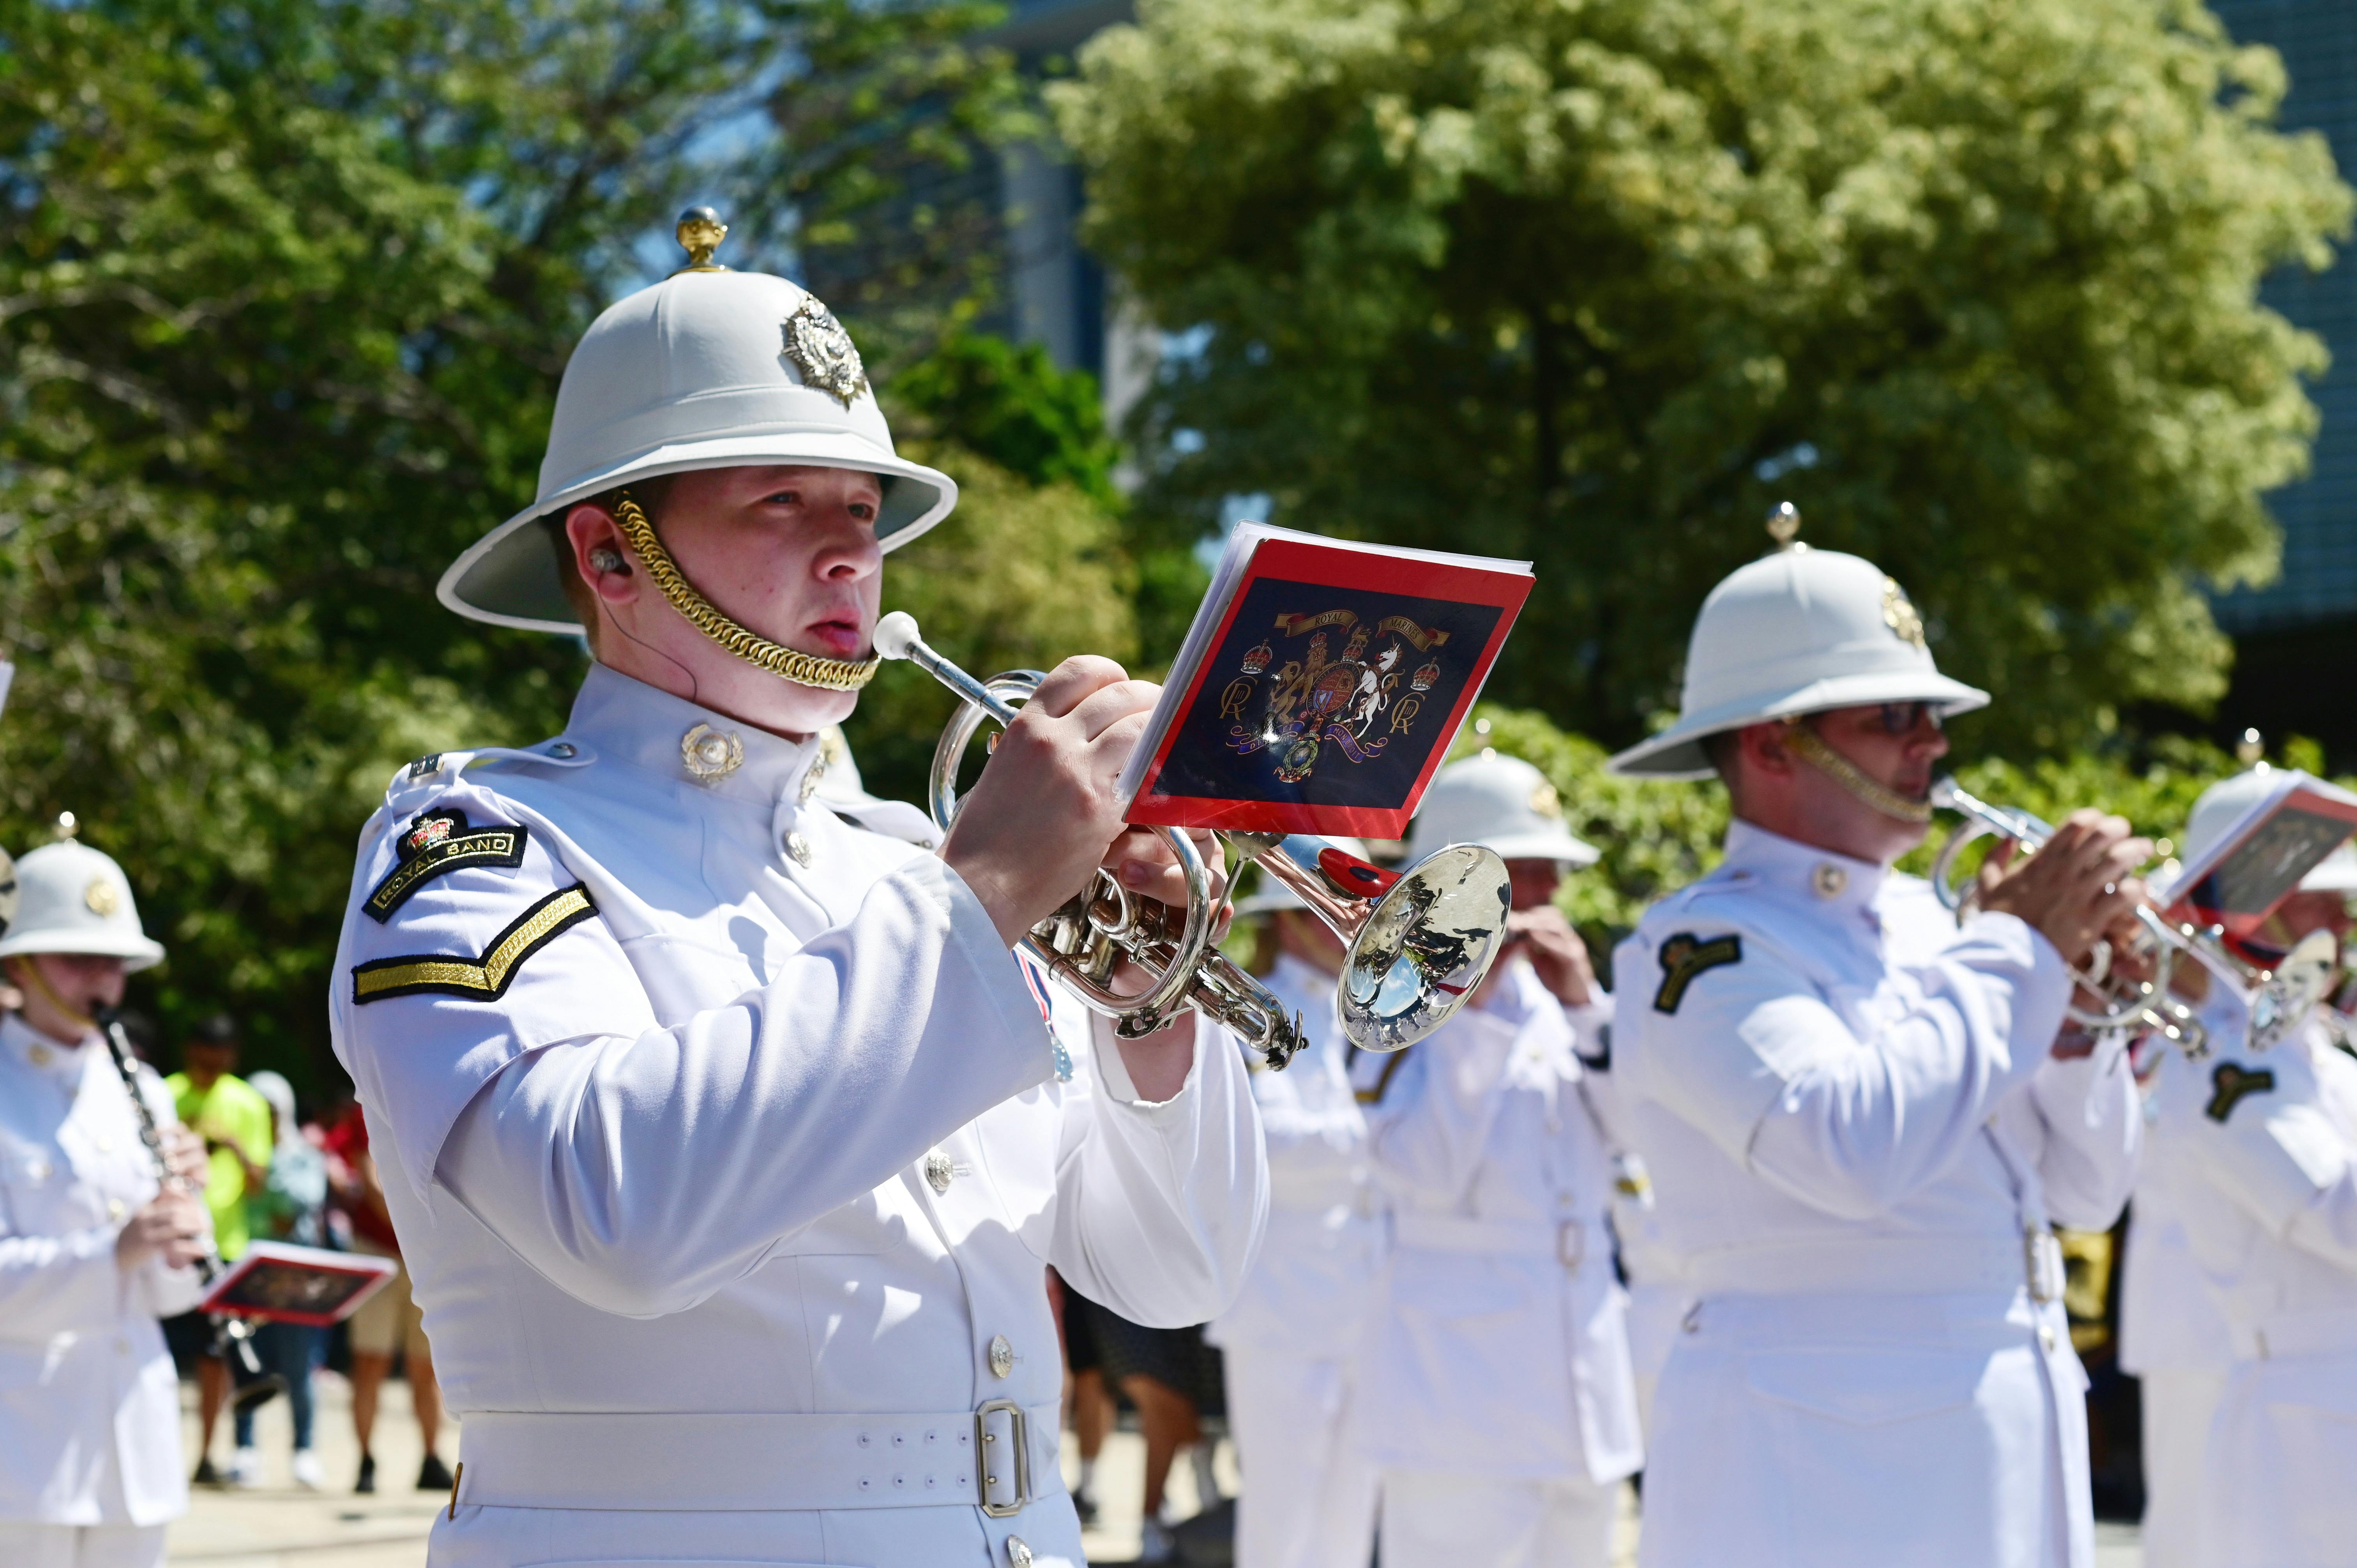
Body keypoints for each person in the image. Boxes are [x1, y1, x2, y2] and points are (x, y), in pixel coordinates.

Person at [329, 211, 1266, 1568]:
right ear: (607, 555)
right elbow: (617, 1216)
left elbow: (1173, 1271)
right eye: (779, 499)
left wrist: (1148, 1001)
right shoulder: (479, 841)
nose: (847, 552)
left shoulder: (901, 854)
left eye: (862, 510)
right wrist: (991, 883)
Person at [1603, 511, 2147, 1568]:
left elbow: (2087, 1197)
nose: (1933, 744)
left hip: (1989, 1441)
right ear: (1773, 744)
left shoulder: (1944, 931)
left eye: (1933, 715)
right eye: (1894, 715)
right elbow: (1848, 1149)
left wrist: (2079, 1025)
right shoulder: (1698, 949)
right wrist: (2022, 948)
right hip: (1821, 1475)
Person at [1353, 751, 1641, 1568]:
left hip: (1580, 1361)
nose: (1548, 891)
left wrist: (1587, 1005)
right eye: (1527, 870)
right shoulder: (1389, 1013)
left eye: (1552, 869)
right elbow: (1425, 1173)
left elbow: (1636, 1138)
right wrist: (1472, 1014)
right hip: (1462, 1392)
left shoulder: (1563, 1000)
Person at [2137, 768, 2357, 1568]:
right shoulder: (2225, 1063)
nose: (2342, 920)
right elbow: (2339, 1213)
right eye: (2315, 898)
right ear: (2249, 910)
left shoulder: (2321, 1054)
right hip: (2304, 1417)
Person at [0, 832, 211, 1568]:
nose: (101, 976)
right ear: (17, 962)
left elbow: (176, 1290)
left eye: (113, 959)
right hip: (26, 1454)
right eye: (75, 955)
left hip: (135, 1448)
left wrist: (189, 1221)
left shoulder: (146, 1090)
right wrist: (115, 1250)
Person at [1203, 845, 1384, 1568]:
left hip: (1369, 1302)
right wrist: (1384, 1137)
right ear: (1286, 919)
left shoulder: (1371, 1013)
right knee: (1282, 1522)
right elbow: (1265, 1146)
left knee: (1351, 1518)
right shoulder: (1256, 1009)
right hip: (1283, 1311)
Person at [161, 1012, 274, 1487]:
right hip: (168, 1241)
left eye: (219, 1063)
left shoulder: (247, 1102)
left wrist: (232, 1147)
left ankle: (206, 1454)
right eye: (202, 1063)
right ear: (190, 1053)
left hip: (224, 1246)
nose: (209, 1071)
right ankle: (161, 1453)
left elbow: (258, 1183)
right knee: (161, 1354)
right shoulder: (164, 1092)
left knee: (214, 1360)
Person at [316, 1098, 448, 1494]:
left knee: (426, 1367)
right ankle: (366, 1460)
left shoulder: (432, 1098)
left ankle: (430, 1457)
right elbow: (369, 1176)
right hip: (379, 1248)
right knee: (370, 1360)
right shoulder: (369, 1105)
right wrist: (418, 1224)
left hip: (422, 1248)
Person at [235, 1069, 331, 1490]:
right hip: (248, 1273)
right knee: (246, 1364)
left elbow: (296, 1205)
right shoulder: (235, 1152)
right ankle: (244, 1451)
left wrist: (263, 1166)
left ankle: (304, 1452)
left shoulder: (304, 1154)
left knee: (299, 1368)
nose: (266, 1117)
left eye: (271, 1110)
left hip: (294, 1277)